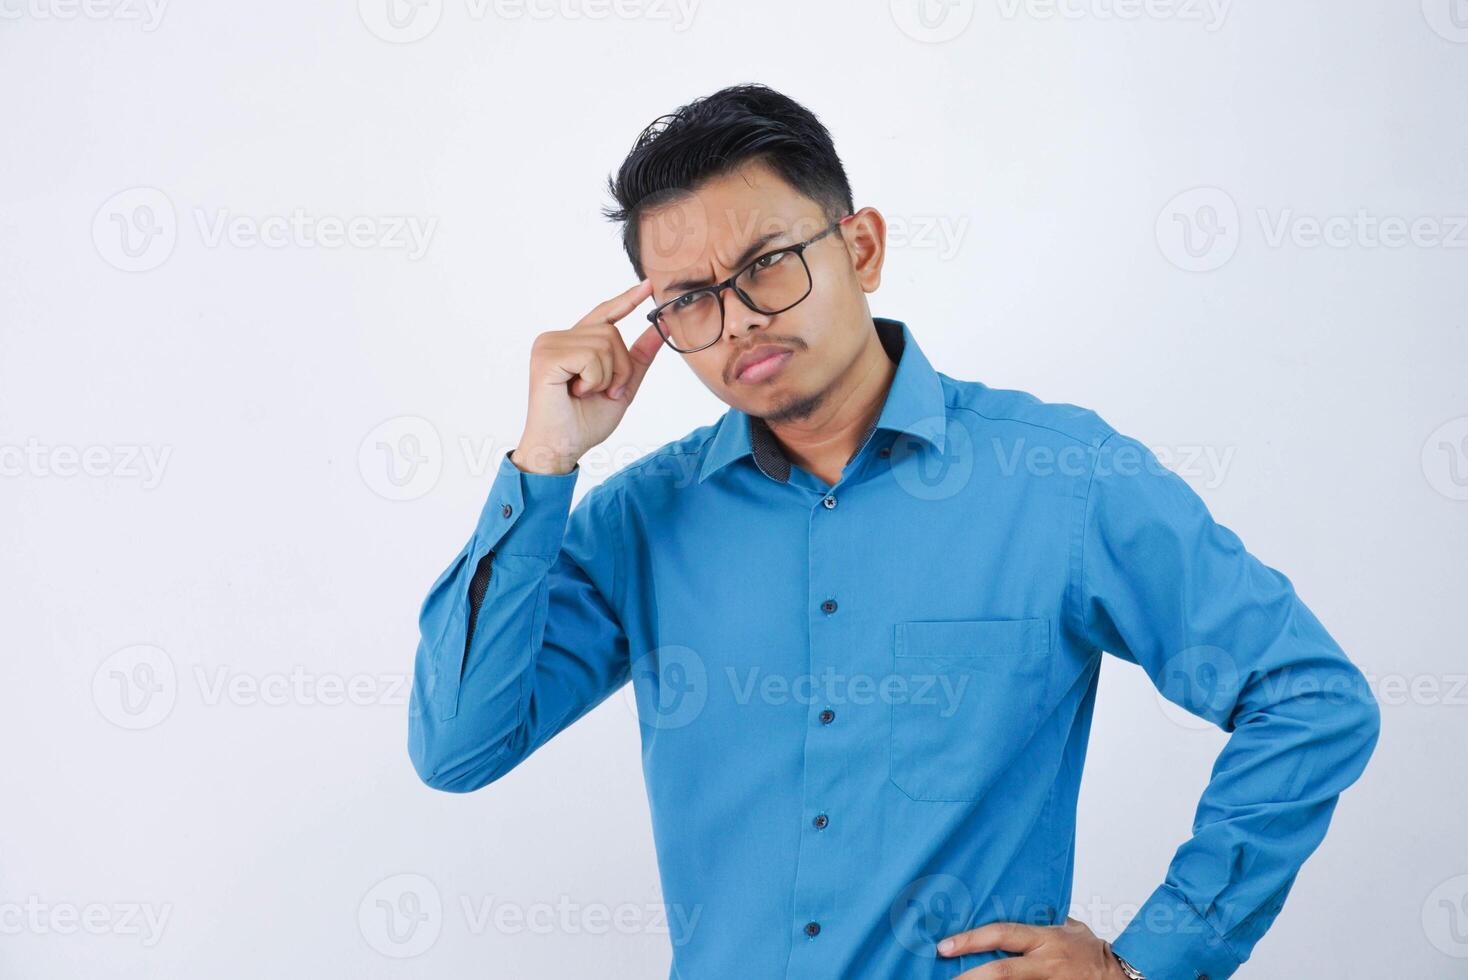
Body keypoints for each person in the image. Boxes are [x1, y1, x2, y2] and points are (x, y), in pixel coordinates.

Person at [406, 83, 1380, 980]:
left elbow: (1307, 695)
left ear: (860, 246)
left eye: (767, 265)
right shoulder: (642, 519)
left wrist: (1148, 961)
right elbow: (458, 746)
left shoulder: (1060, 478)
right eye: (690, 300)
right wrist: (543, 461)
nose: (738, 318)